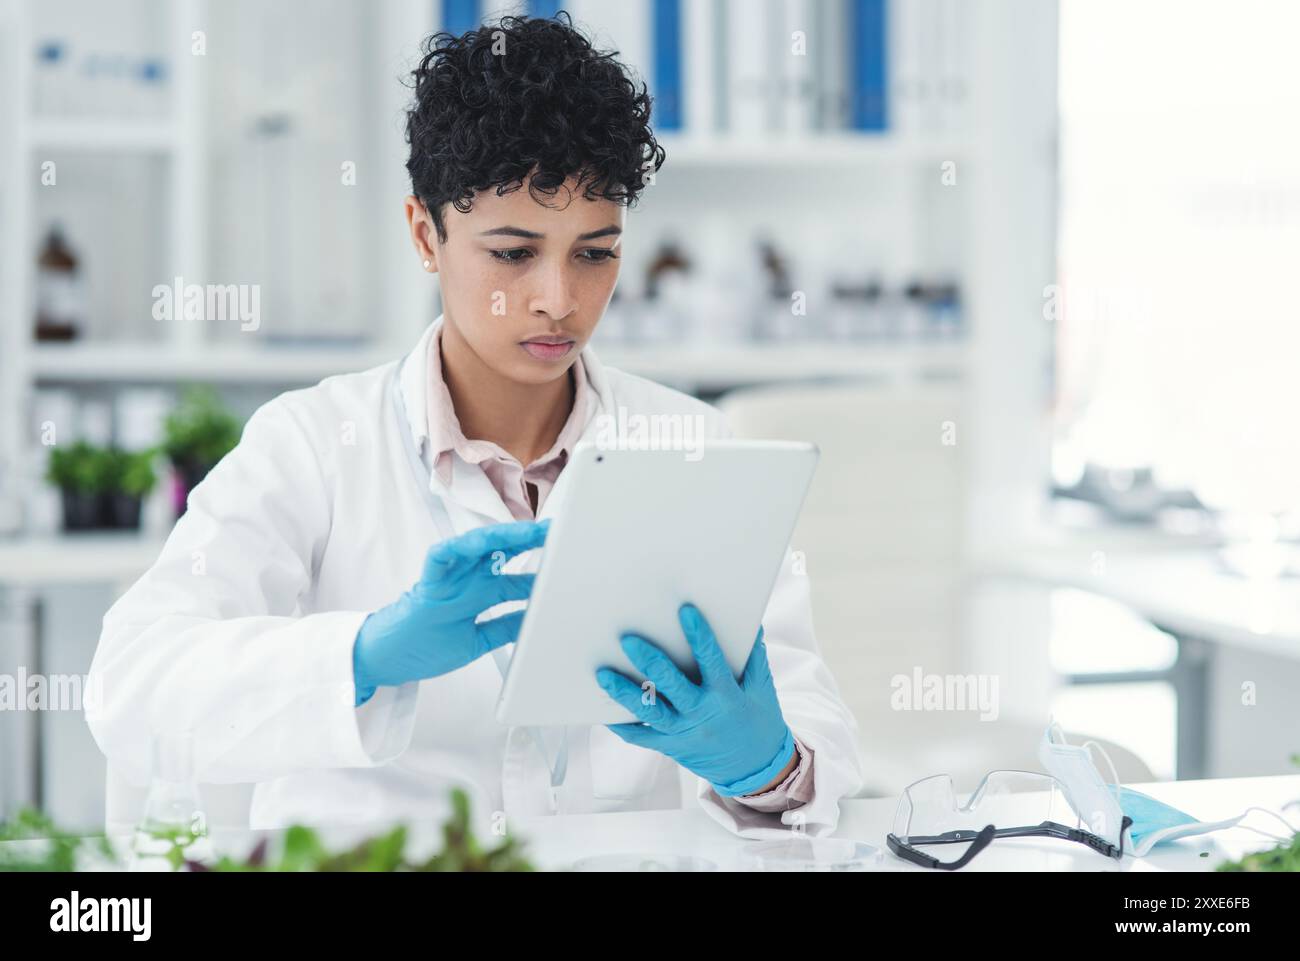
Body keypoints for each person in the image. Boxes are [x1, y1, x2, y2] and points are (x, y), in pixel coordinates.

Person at [87, 14, 862, 840]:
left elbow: (812, 728)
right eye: (512, 252)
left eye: (595, 253)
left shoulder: (700, 448)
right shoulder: (311, 445)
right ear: (426, 233)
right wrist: (364, 654)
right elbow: (131, 684)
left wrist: (768, 764)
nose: (557, 299)